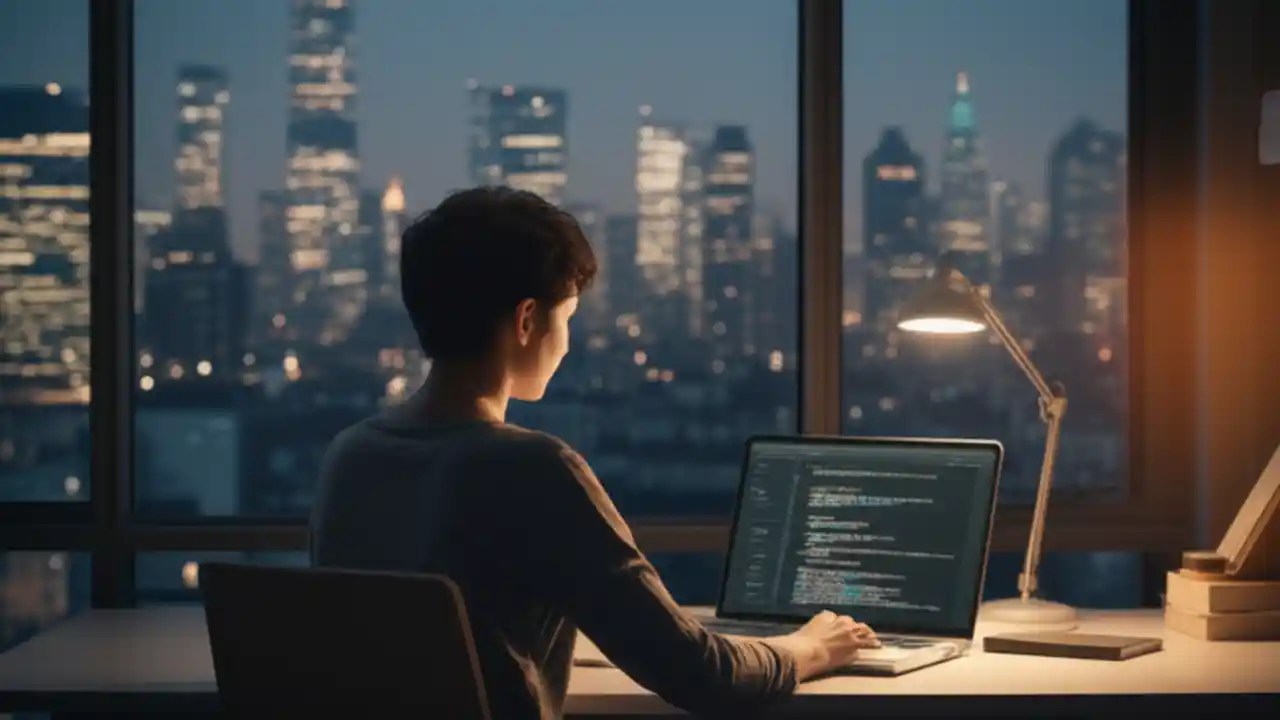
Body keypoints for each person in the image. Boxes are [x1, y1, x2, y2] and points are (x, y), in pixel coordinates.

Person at [309, 187, 879, 719]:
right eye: (569, 318)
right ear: (528, 319)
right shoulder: (533, 468)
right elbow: (696, 672)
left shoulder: (349, 455)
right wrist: (807, 649)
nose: (569, 342)